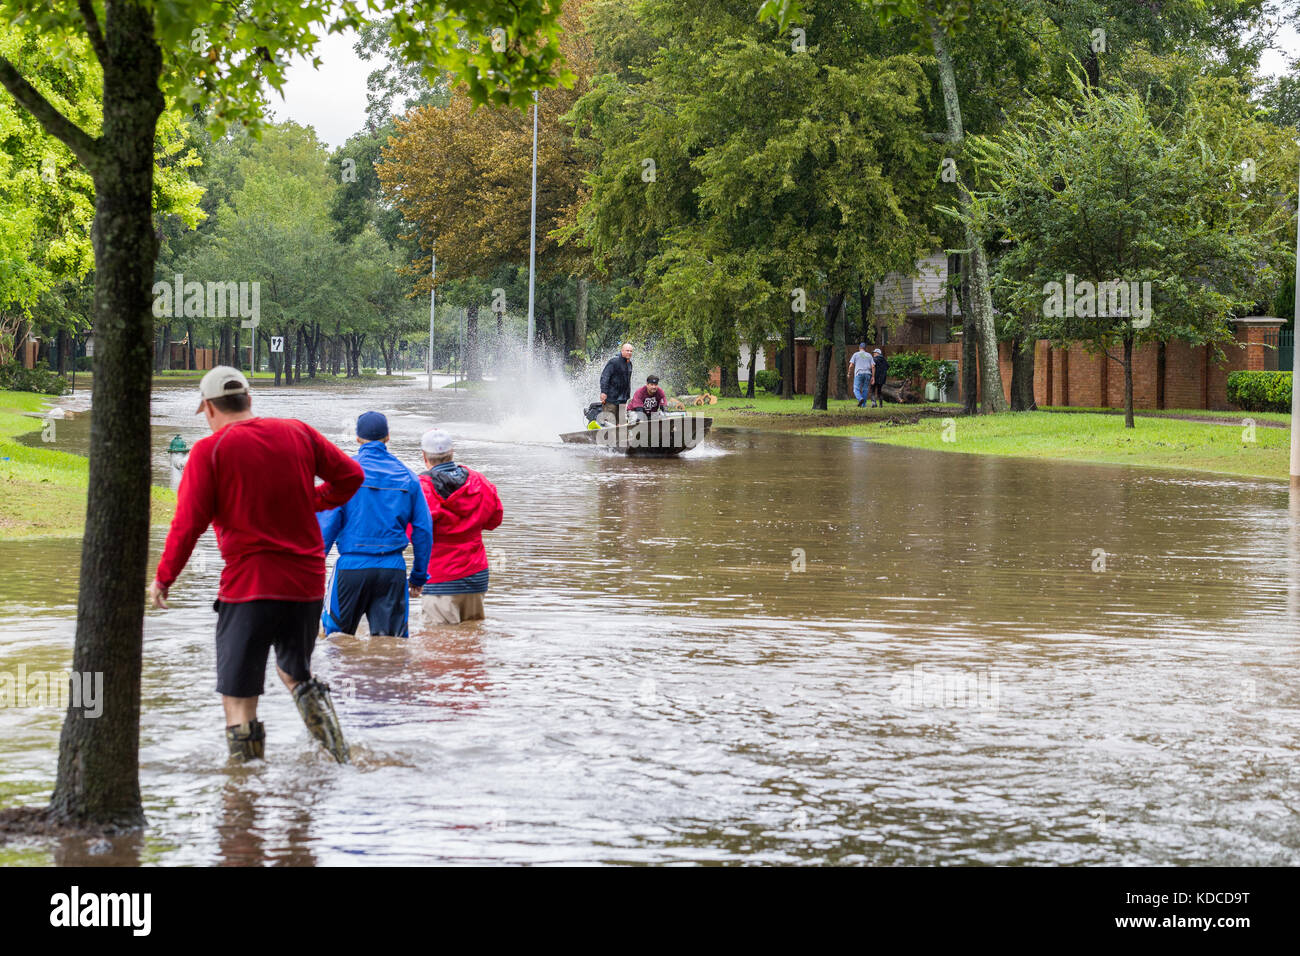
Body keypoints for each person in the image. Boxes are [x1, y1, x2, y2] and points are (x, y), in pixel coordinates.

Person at [150, 366, 364, 764]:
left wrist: (164, 579)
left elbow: (188, 524)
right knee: (296, 673)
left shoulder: (208, 451)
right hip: (306, 586)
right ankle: (340, 760)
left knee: (238, 695)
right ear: (249, 399)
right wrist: (312, 499)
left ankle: (245, 791)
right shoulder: (297, 432)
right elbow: (352, 475)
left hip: (249, 589)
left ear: (209, 409)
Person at [318, 411, 433, 640]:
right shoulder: (408, 477)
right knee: (391, 644)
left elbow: (325, 527)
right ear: (388, 437)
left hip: (351, 568)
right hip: (392, 569)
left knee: (337, 640)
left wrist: (311, 567)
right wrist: (418, 576)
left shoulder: (343, 474)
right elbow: (423, 530)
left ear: (358, 438)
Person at [414, 429, 504, 625]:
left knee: (438, 648)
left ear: (424, 456)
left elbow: (414, 533)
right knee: (473, 641)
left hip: (440, 577)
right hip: (476, 577)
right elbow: (495, 519)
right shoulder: (479, 481)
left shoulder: (421, 488)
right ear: (452, 452)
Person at [599, 343, 634, 418]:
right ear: (622, 351)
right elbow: (605, 377)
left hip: (623, 400)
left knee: (622, 424)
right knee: (610, 423)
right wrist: (603, 392)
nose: (629, 352)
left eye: (631, 351)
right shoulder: (614, 361)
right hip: (611, 399)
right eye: (627, 350)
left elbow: (628, 382)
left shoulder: (629, 364)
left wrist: (628, 396)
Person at [848, 342, 874, 408]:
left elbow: (851, 366)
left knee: (856, 389)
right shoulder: (869, 355)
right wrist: (873, 376)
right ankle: (863, 405)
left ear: (859, 348)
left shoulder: (856, 354)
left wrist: (849, 373)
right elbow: (873, 366)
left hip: (859, 373)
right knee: (865, 389)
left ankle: (860, 399)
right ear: (865, 348)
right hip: (868, 374)